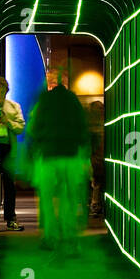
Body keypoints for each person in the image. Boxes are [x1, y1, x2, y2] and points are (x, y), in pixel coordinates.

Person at [25, 67, 90, 257]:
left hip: (47, 155)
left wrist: (34, 148)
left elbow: (35, 127)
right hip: (71, 156)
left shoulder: (43, 100)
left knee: (47, 199)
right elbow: (82, 128)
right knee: (68, 199)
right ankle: (69, 238)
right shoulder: (73, 100)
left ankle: (50, 238)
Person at [0, 75, 25, 231]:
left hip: (8, 149)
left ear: (6, 92)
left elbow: (20, 127)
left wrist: (8, 122)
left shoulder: (13, 107)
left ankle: (10, 218)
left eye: (1, 92)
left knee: (9, 186)